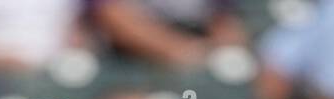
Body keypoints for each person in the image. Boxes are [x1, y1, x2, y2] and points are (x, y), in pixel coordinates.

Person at [89, 0, 248, 66]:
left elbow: (227, 26)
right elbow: (112, 14)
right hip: (128, 61)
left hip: (198, 50)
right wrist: (180, 49)